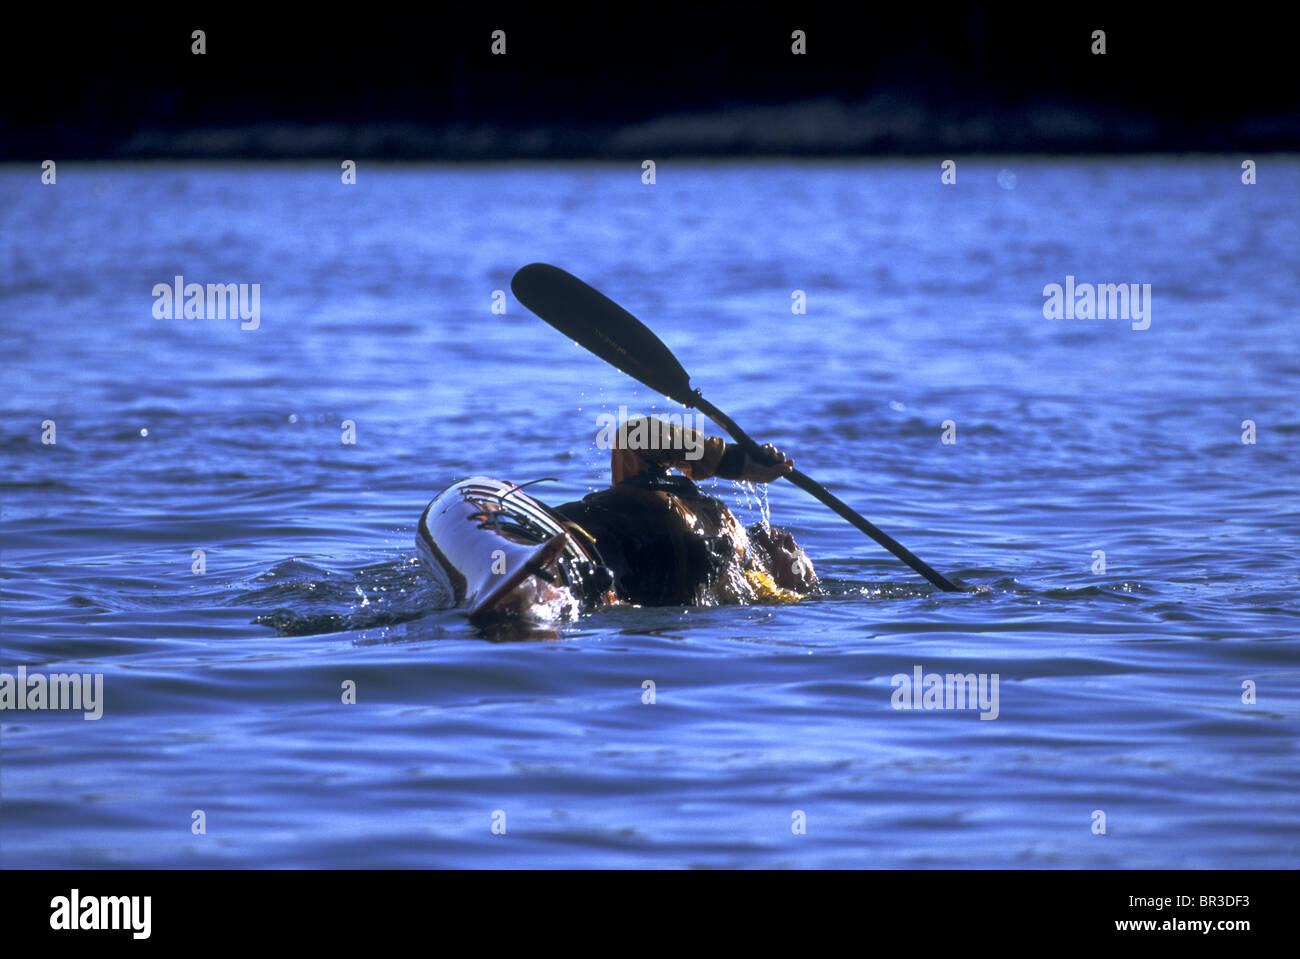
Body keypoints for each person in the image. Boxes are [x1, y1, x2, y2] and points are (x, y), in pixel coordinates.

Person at [552, 415, 819, 606]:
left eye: (798, 562)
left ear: (788, 589)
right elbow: (635, 435)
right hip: (558, 535)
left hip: (602, 580)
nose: (792, 541)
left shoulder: (750, 586)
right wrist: (734, 461)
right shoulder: (646, 487)